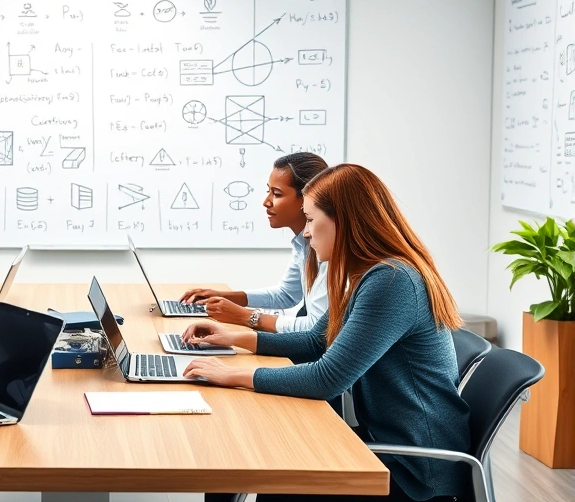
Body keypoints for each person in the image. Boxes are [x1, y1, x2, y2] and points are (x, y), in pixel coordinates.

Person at [182, 164, 470, 502]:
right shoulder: (368, 274)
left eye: (310, 219)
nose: (305, 233)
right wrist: (231, 338)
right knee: (259, 454)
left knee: (280, 478)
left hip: (417, 470)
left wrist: (231, 374)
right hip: (390, 445)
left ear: (342, 221)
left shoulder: (392, 281)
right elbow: (316, 341)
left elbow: (327, 379)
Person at [181, 153, 330, 333]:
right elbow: (287, 294)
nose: (266, 202)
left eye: (276, 194)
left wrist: (244, 317)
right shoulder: (303, 244)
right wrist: (223, 297)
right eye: (268, 191)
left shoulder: (327, 252)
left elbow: (315, 328)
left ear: (306, 198)